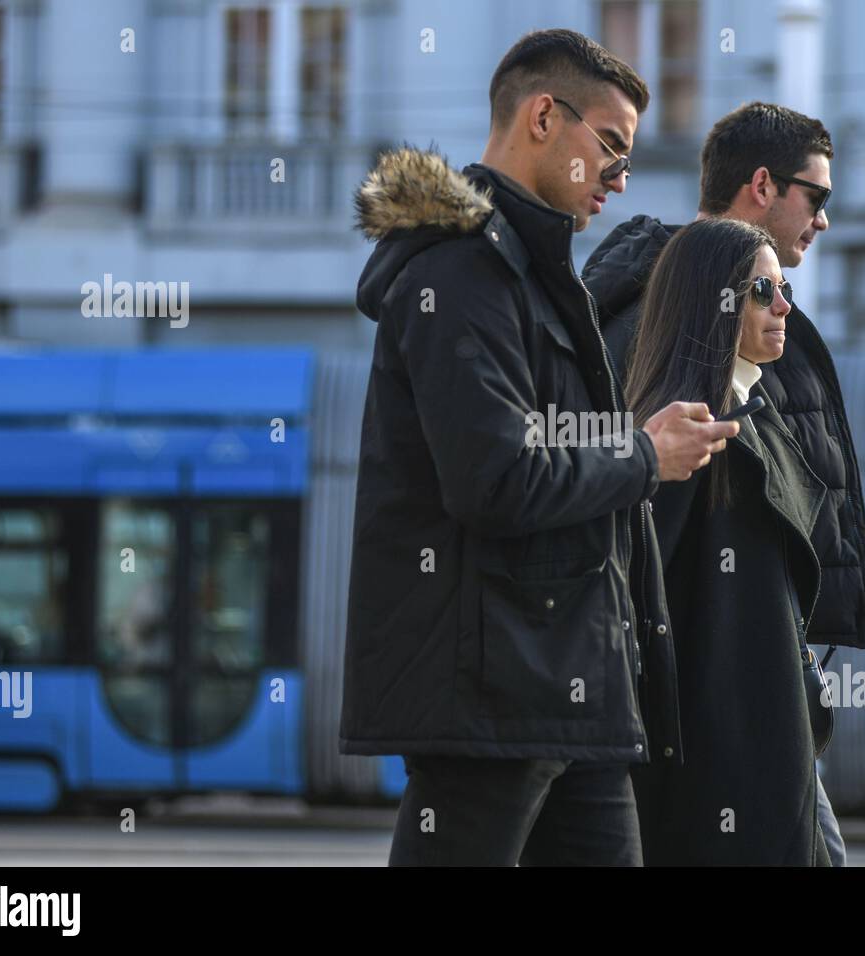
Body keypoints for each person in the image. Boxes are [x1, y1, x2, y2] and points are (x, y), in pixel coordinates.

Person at [339, 28, 738, 866]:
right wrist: (644, 454)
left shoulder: (533, 276)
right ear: (544, 116)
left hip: (566, 683)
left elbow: (552, 447)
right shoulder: (460, 275)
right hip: (493, 691)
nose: (622, 178)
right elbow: (495, 477)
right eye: (612, 148)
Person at [583, 101, 865, 866]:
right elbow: (635, 561)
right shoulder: (655, 337)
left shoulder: (753, 330)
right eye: (815, 197)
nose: (822, 221)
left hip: (764, 683)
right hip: (717, 705)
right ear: (762, 184)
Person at [622, 216, 829, 865]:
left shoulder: (753, 420)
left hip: (764, 751)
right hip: (714, 770)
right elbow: (635, 608)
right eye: (762, 291)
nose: (784, 306)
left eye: (783, 288)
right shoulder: (687, 437)